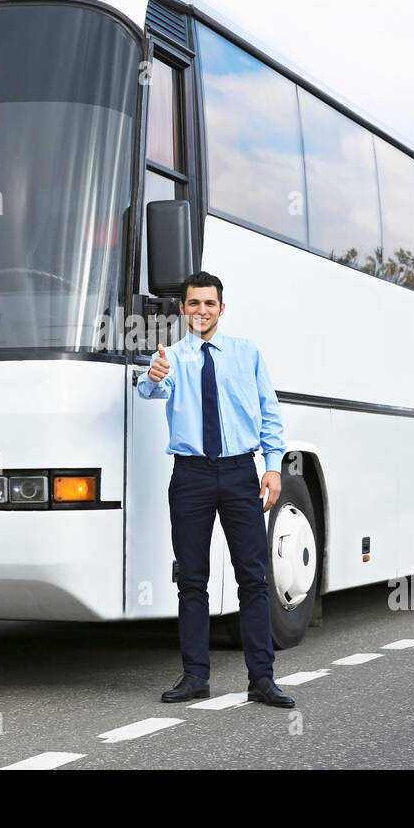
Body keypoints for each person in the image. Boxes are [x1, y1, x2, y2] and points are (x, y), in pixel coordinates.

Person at [136, 270, 295, 709]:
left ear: (221, 309)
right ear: (183, 310)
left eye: (209, 303)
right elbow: (151, 389)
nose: (201, 310)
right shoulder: (171, 357)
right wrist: (152, 374)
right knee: (192, 579)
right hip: (191, 476)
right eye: (193, 304)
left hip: (241, 472)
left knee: (253, 577)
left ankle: (262, 679)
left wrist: (273, 467)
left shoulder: (247, 354)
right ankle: (195, 676)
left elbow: (269, 413)